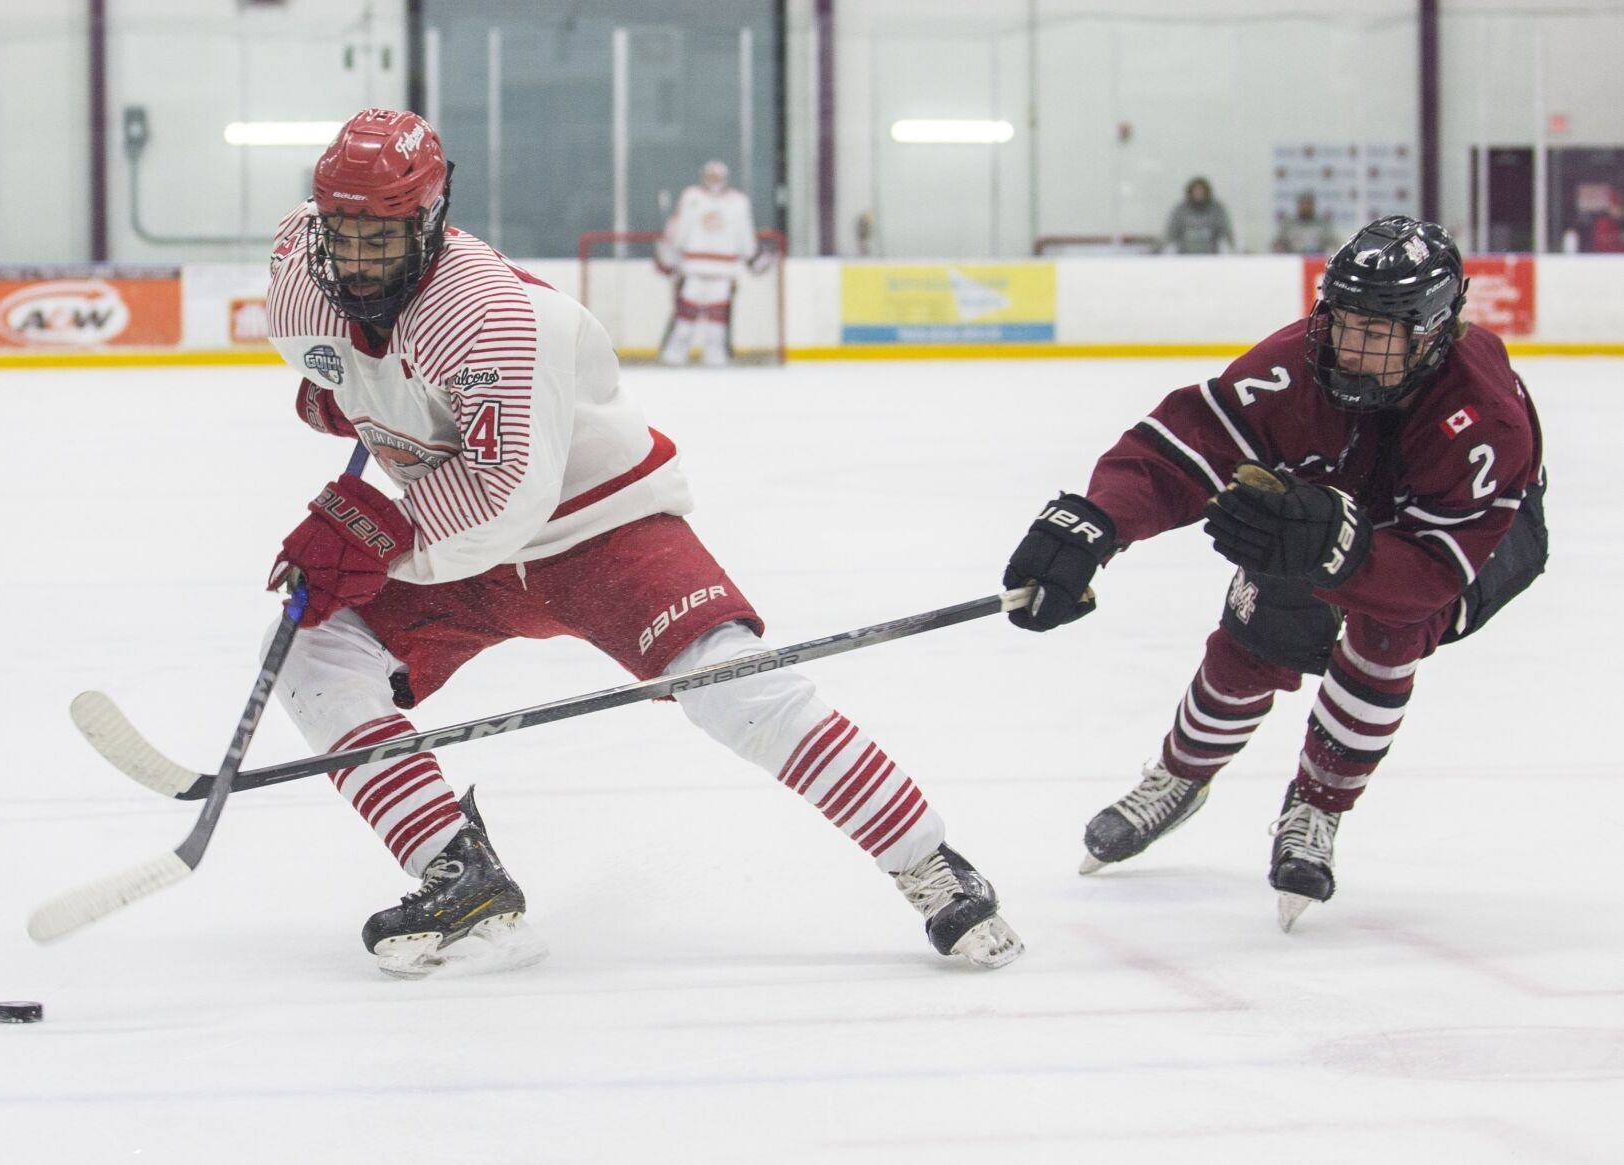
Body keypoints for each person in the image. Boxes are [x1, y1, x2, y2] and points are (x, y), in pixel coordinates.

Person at [261, 108, 1022, 977]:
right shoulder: (297, 270)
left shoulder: (490, 315)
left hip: (599, 522)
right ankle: (456, 869)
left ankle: (928, 860)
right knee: (312, 647)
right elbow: (338, 368)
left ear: (430, 221)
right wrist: (349, 402)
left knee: (732, 683)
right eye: (343, 237)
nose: (357, 261)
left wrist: (373, 531)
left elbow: (506, 494)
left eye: (382, 239)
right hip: (472, 544)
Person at [1001, 216, 1547, 930]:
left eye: (1375, 333)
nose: (1348, 348)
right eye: (1342, 321)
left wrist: (1349, 556)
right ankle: (1182, 775)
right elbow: (1183, 449)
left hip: (1476, 534)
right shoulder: (1295, 365)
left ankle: (1317, 806)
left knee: (1390, 629)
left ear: (1431, 335)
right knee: (1258, 624)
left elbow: (1431, 571)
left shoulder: (1482, 421)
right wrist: (1096, 521)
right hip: (1339, 499)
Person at [654, 160, 768, 366]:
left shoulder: (738, 202)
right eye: (710, 176)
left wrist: (752, 256)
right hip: (694, 269)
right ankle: (674, 355)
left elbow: (745, 236)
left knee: (717, 324)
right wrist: (670, 257)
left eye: (717, 177)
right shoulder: (691, 197)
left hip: (723, 271)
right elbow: (678, 231)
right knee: (685, 320)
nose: (713, 180)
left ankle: (715, 358)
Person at [1163, 176, 1235, 254]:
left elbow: (1226, 231)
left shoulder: (1217, 210)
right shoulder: (1180, 210)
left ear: (1206, 192)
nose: (1198, 194)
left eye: (1201, 191)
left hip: (1211, 256)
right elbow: (1170, 232)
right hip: (1185, 256)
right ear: (1190, 192)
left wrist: (1231, 248)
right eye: (1196, 191)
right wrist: (1162, 248)